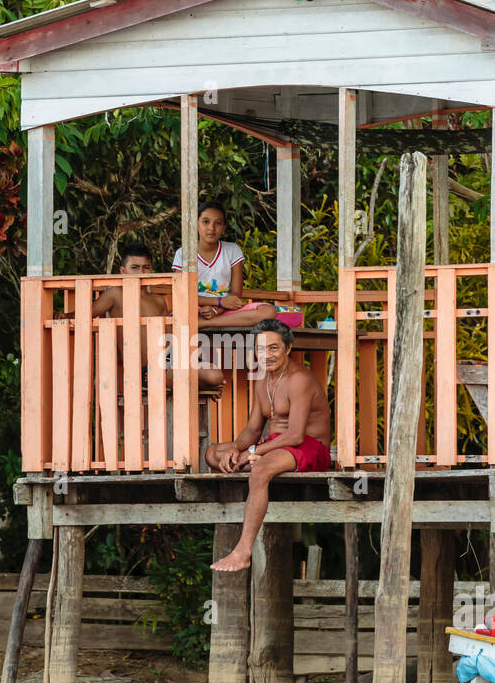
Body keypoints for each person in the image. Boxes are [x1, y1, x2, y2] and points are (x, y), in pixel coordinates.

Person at [205, 319, 331, 571]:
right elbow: (253, 429)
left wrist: (252, 452)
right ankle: (247, 463)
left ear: (288, 348)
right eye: (261, 349)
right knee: (212, 453)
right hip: (275, 446)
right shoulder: (262, 381)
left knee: (260, 470)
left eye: (273, 348)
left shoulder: (300, 379)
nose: (267, 355)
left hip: (309, 447)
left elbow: (295, 435)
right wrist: (236, 449)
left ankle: (242, 551)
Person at [93, 242, 223, 391]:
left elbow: (170, 337)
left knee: (215, 376)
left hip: (173, 359)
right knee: (195, 377)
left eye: (146, 267)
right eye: (134, 267)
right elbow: (86, 313)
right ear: (123, 270)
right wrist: (63, 315)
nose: (141, 272)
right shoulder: (115, 294)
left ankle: (196, 381)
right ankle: (194, 382)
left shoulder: (158, 300)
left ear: (151, 269)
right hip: (147, 369)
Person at [172, 200, 277, 329]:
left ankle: (205, 323)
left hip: (225, 310)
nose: (211, 228)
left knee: (269, 311)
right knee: (178, 314)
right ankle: (203, 320)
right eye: (206, 222)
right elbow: (183, 294)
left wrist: (217, 310)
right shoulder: (183, 253)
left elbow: (236, 294)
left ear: (224, 228)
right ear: (196, 224)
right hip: (195, 308)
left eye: (218, 223)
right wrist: (219, 301)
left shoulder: (232, 250)